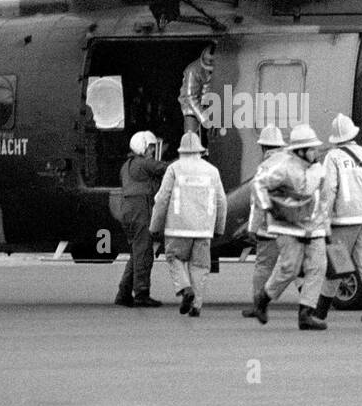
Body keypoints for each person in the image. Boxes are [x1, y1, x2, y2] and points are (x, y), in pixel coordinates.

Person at [248, 123, 330, 331]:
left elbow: (324, 200)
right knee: (289, 268)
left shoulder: (318, 169)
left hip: (315, 227)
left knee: (318, 267)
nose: (315, 151)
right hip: (288, 226)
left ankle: (306, 313)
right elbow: (257, 184)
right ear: (300, 151)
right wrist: (268, 207)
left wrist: (326, 228)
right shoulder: (283, 167)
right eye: (311, 148)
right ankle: (263, 299)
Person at [317, 113, 362, 323]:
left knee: (337, 264)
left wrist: (324, 219)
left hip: (343, 219)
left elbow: (329, 189)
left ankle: (320, 311)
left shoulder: (333, 157)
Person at [149, 132, 226, 318]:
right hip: (203, 229)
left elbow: (162, 199)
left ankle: (185, 288)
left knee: (174, 258)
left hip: (177, 227)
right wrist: (219, 228)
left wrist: (155, 226)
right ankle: (196, 306)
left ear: (181, 150)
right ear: (199, 150)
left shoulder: (174, 169)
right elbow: (221, 201)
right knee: (200, 267)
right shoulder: (212, 170)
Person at [114, 130, 168, 308]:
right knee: (144, 253)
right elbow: (166, 168)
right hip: (140, 211)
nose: (152, 151)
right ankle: (142, 294)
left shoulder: (127, 166)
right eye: (151, 147)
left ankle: (124, 292)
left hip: (127, 211)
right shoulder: (144, 164)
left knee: (136, 252)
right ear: (143, 147)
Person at [240, 125, 286, 319]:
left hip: (269, 229)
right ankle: (309, 306)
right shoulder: (292, 165)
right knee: (296, 267)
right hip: (292, 228)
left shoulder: (264, 168)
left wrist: (252, 228)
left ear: (263, 147)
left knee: (264, 266)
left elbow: (257, 203)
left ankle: (259, 305)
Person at [178, 43, 217, 135]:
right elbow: (191, 97)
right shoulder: (193, 70)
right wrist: (204, 119)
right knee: (191, 137)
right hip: (192, 108)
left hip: (211, 104)